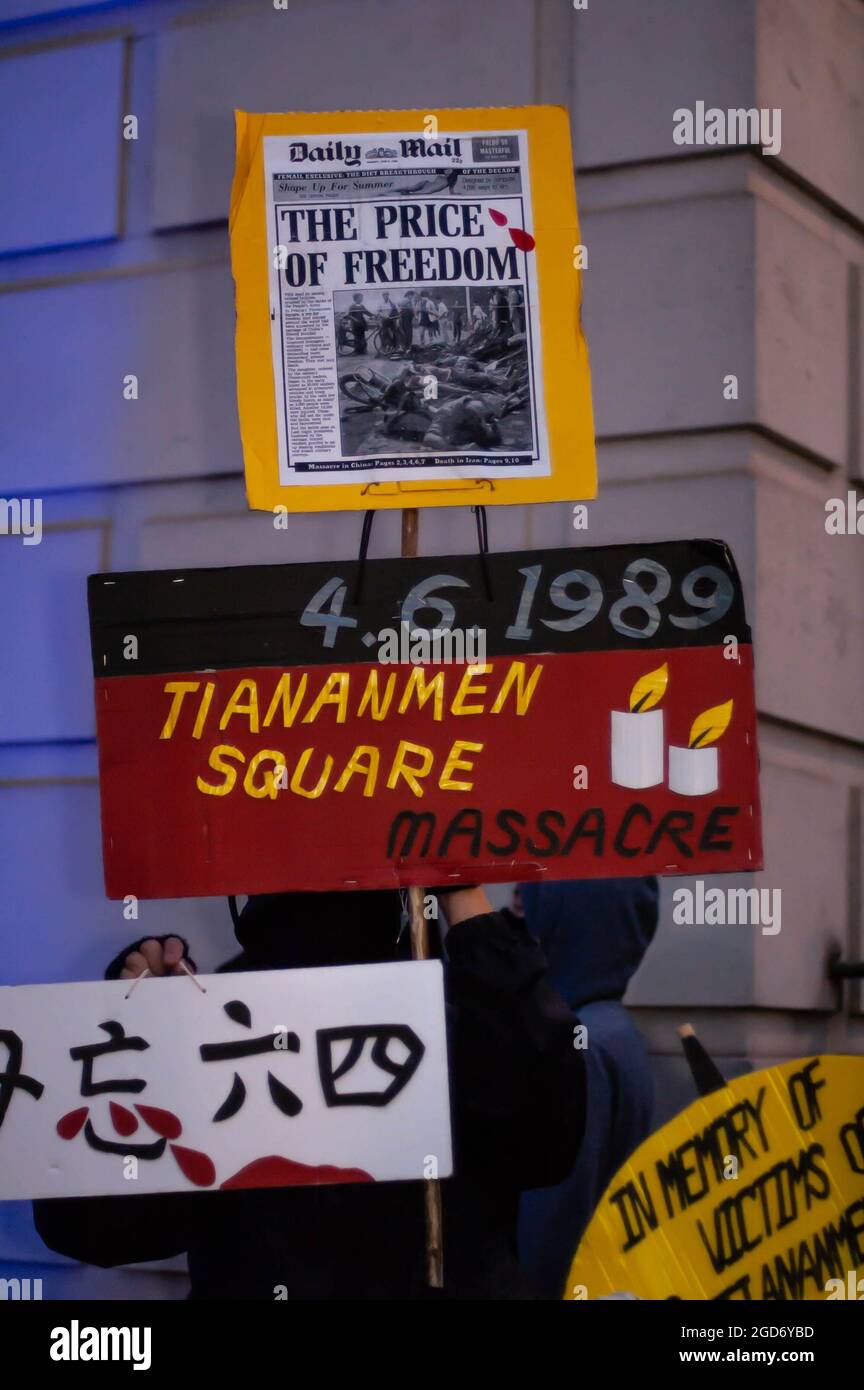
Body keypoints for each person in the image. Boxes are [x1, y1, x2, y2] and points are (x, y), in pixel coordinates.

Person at [33, 886, 588, 1300]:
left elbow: (544, 1142)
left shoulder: (467, 1012)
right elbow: (93, 1227)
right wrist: (142, 1043)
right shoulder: (214, 1025)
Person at [515, 877, 659, 1298]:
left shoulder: (581, 1044)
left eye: (529, 905)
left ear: (563, 920)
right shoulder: (611, 1027)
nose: (520, 919)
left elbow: (553, 1220)